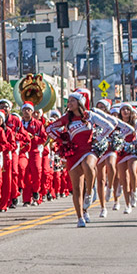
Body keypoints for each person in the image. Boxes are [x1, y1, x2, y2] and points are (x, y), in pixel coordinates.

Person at [46, 90, 115, 228]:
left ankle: (90, 192)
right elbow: (49, 129)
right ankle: (80, 217)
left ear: (79, 102)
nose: (69, 103)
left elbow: (109, 126)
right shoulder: (66, 118)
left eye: (72, 100)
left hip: (88, 150)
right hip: (73, 153)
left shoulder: (90, 115)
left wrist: (98, 139)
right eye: (69, 101)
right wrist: (61, 140)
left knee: (88, 166)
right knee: (76, 187)